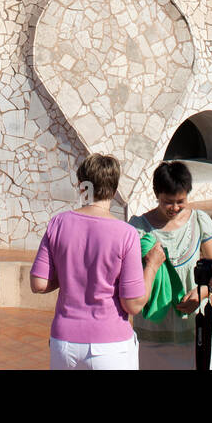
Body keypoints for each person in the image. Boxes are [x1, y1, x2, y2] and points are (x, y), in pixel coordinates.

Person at [30, 154, 167, 370]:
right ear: (114, 190)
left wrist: (71, 274)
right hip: (110, 344)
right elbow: (132, 304)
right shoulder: (126, 234)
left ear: (81, 186)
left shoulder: (58, 223)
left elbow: (38, 283)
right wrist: (152, 266)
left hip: (64, 342)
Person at [128, 161, 212, 369]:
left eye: (180, 201)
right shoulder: (138, 228)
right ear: (157, 195)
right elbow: (129, 278)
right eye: (167, 202)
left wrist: (202, 292)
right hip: (152, 339)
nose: (175, 208)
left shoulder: (200, 222)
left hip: (196, 333)